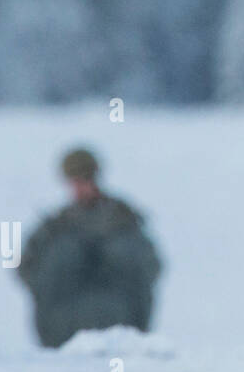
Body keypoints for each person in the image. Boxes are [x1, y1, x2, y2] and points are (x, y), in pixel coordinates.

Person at [17, 148, 162, 348]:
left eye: (85, 179)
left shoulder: (122, 222)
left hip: (120, 329)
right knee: (63, 251)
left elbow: (150, 266)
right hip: (63, 331)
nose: (82, 187)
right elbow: (25, 266)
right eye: (75, 181)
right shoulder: (56, 227)